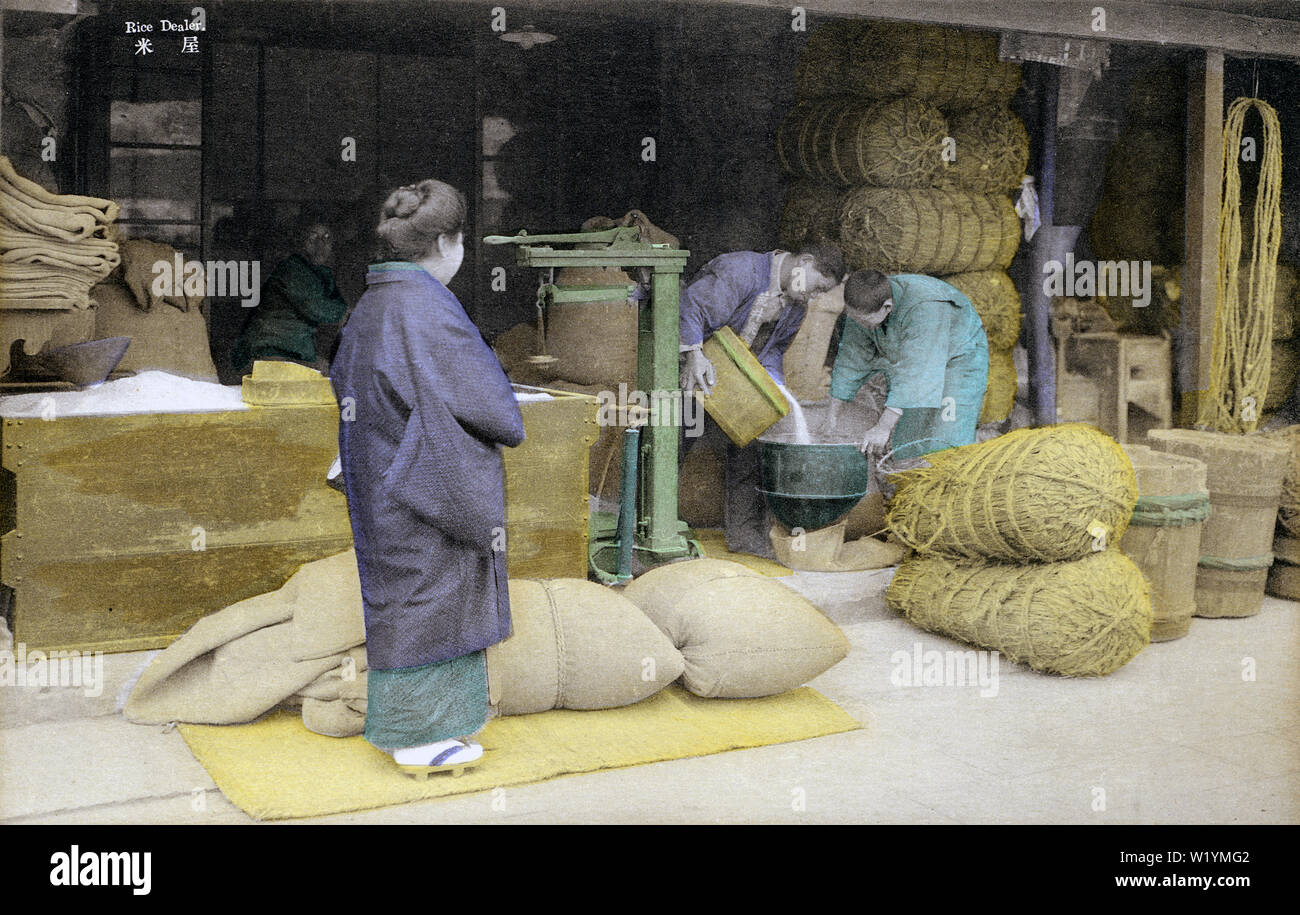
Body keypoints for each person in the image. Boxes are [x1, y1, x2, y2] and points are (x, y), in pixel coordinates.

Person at [330, 180, 525, 776]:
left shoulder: (373, 302)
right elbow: (493, 409)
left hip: (381, 470)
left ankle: (413, 731)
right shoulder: (427, 308)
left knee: (405, 595)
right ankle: (421, 738)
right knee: (435, 596)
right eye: (461, 240)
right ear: (445, 241)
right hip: (424, 482)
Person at [678, 242, 847, 557]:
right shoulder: (740, 270)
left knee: (751, 448)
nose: (816, 297)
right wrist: (693, 354)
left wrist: (774, 391)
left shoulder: (796, 306)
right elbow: (691, 307)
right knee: (669, 446)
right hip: (686, 368)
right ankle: (640, 530)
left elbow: (773, 352)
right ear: (805, 262)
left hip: (732, 379)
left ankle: (744, 537)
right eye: (818, 287)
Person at [828, 269, 988, 462]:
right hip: (916, 367)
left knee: (945, 442)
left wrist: (883, 426)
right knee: (907, 444)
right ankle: (911, 487)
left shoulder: (924, 307)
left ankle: (951, 486)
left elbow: (917, 372)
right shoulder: (863, 308)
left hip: (958, 361)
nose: (860, 325)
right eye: (855, 319)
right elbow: (851, 360)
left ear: (887, 307)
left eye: (865, 322)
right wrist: (832, 417)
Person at [231, 219, 349, 375]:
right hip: (270, 351)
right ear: (300, 241)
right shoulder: (292, 268)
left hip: (294, 352)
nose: (320, 244)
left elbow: (337, 305)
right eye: (313, 237)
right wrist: (347, 311)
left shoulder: (322, 273)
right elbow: (318, 308)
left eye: (326, 237)